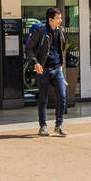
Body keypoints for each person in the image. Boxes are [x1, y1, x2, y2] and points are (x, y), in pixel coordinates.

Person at [26, 7, 68, 136]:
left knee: (62, 97)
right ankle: (43, 126)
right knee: (43, 100)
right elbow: (29, 49)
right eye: (58, 18)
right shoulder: (40, 32)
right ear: (50, 19)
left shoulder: (61, 31)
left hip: (57, 70)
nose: (60, 20)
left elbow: (62, 49)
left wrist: (61, 65)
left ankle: (59, 125)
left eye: (60, 18)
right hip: (43, 70)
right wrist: (36, 63)